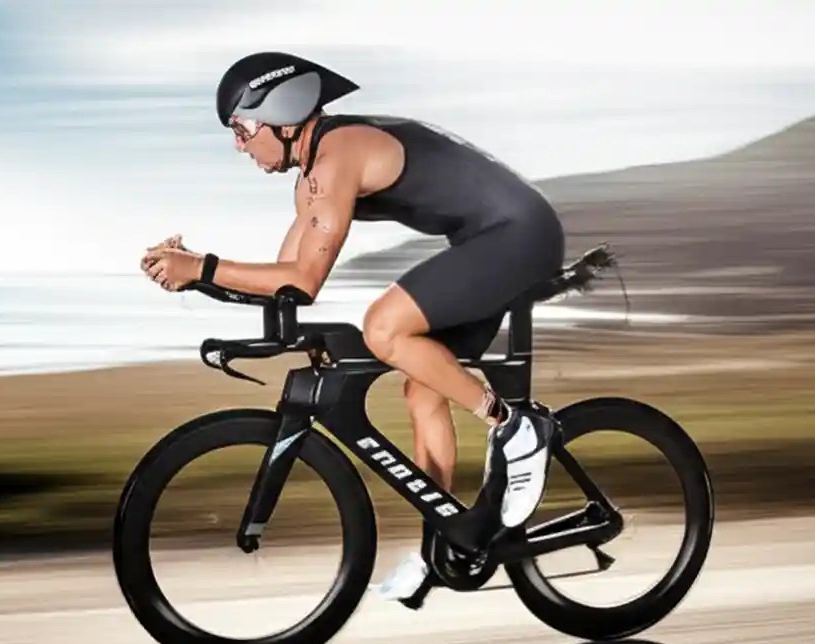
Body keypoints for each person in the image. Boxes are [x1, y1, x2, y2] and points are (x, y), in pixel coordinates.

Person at [140, 51, 564, 606]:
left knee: (384, 328)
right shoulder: (312, 179)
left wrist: (203, 266)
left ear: (284, 116)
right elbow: (287, 285)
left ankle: (515, 427)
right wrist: (196, 275)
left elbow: (306, 276)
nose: (239, 145)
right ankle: (444, 543)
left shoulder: (341, 152)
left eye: (242, 129)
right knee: (424, 387)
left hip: (518, 235)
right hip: (488, 241)